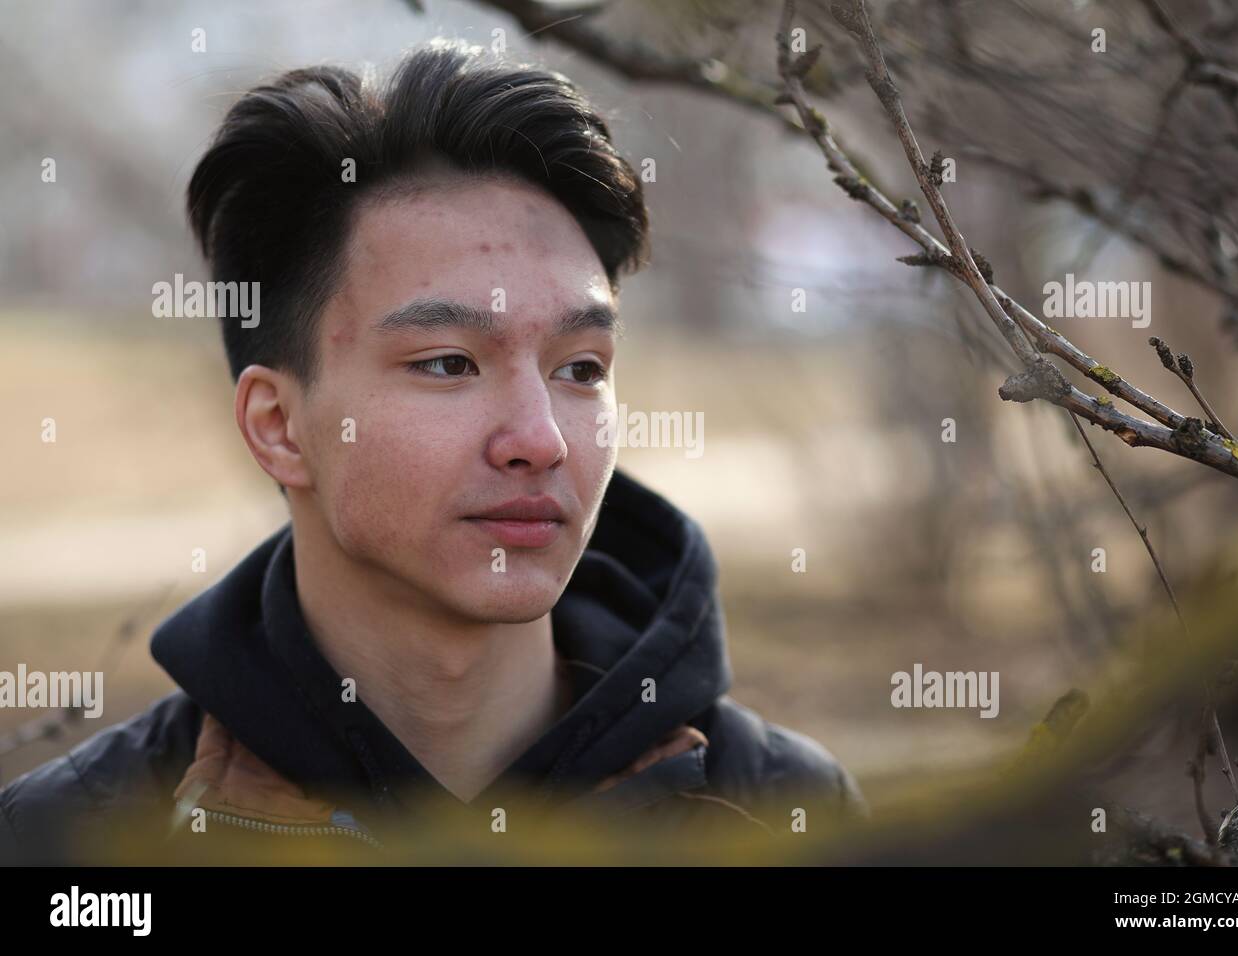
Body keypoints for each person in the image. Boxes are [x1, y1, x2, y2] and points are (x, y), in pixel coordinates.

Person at [0, 38, 867, 865]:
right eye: (448, 363)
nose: (540, 438)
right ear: (277, 425)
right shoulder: (75, 843)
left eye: (580, 368)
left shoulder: (781, 813)